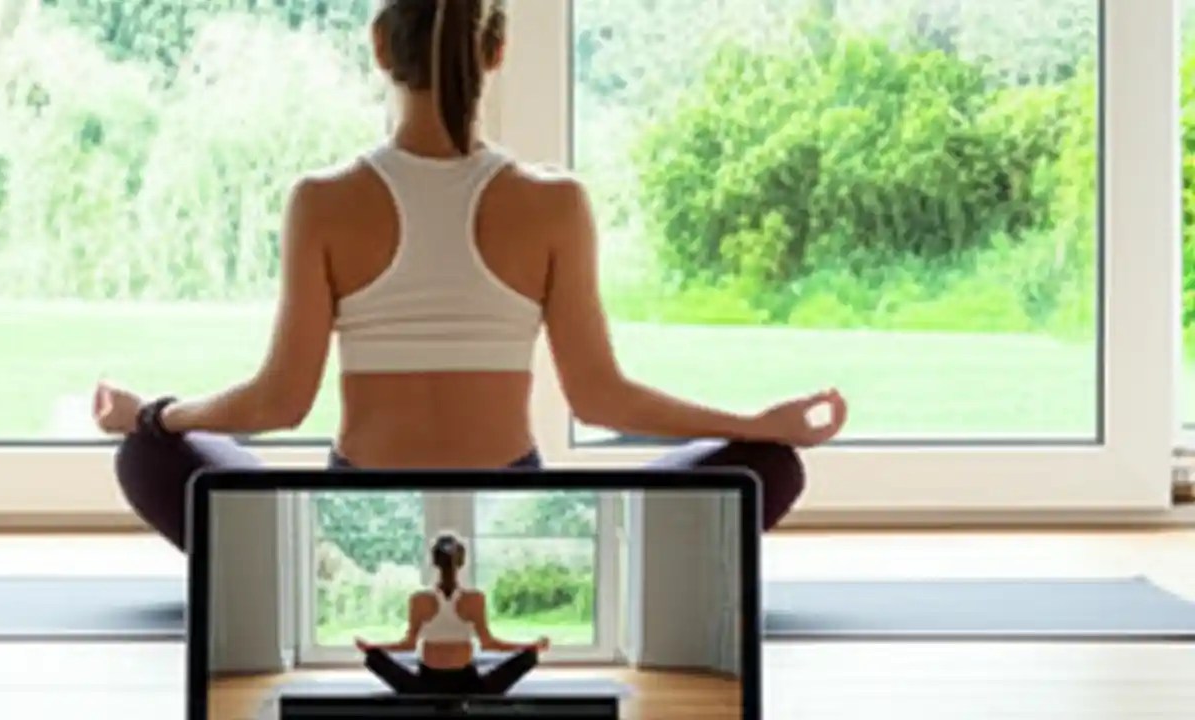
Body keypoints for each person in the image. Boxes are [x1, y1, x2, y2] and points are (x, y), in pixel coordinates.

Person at [93, 0, 848, 552]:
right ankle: (589, 566)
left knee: (146, 458)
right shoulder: (556, 202)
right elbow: (600, 395)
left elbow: (279, 402)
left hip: (364, 532)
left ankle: (312, 568)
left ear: (380, 44)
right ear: (498, 51)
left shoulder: (321, 202)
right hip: (509, 528)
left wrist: (155, 416)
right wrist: (756, 427)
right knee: (765, 469)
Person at [355, 533, 546, 696]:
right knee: (527, 658)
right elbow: (489, 643)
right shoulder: (475, 599)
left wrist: (372, 648)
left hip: (425, 687)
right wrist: (530, 647)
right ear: (461, 562)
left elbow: (408, 644)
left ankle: (375, 657)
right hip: (468, 686)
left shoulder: (419, 600)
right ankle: (530, 654)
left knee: (375, 659)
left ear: (435, 562)